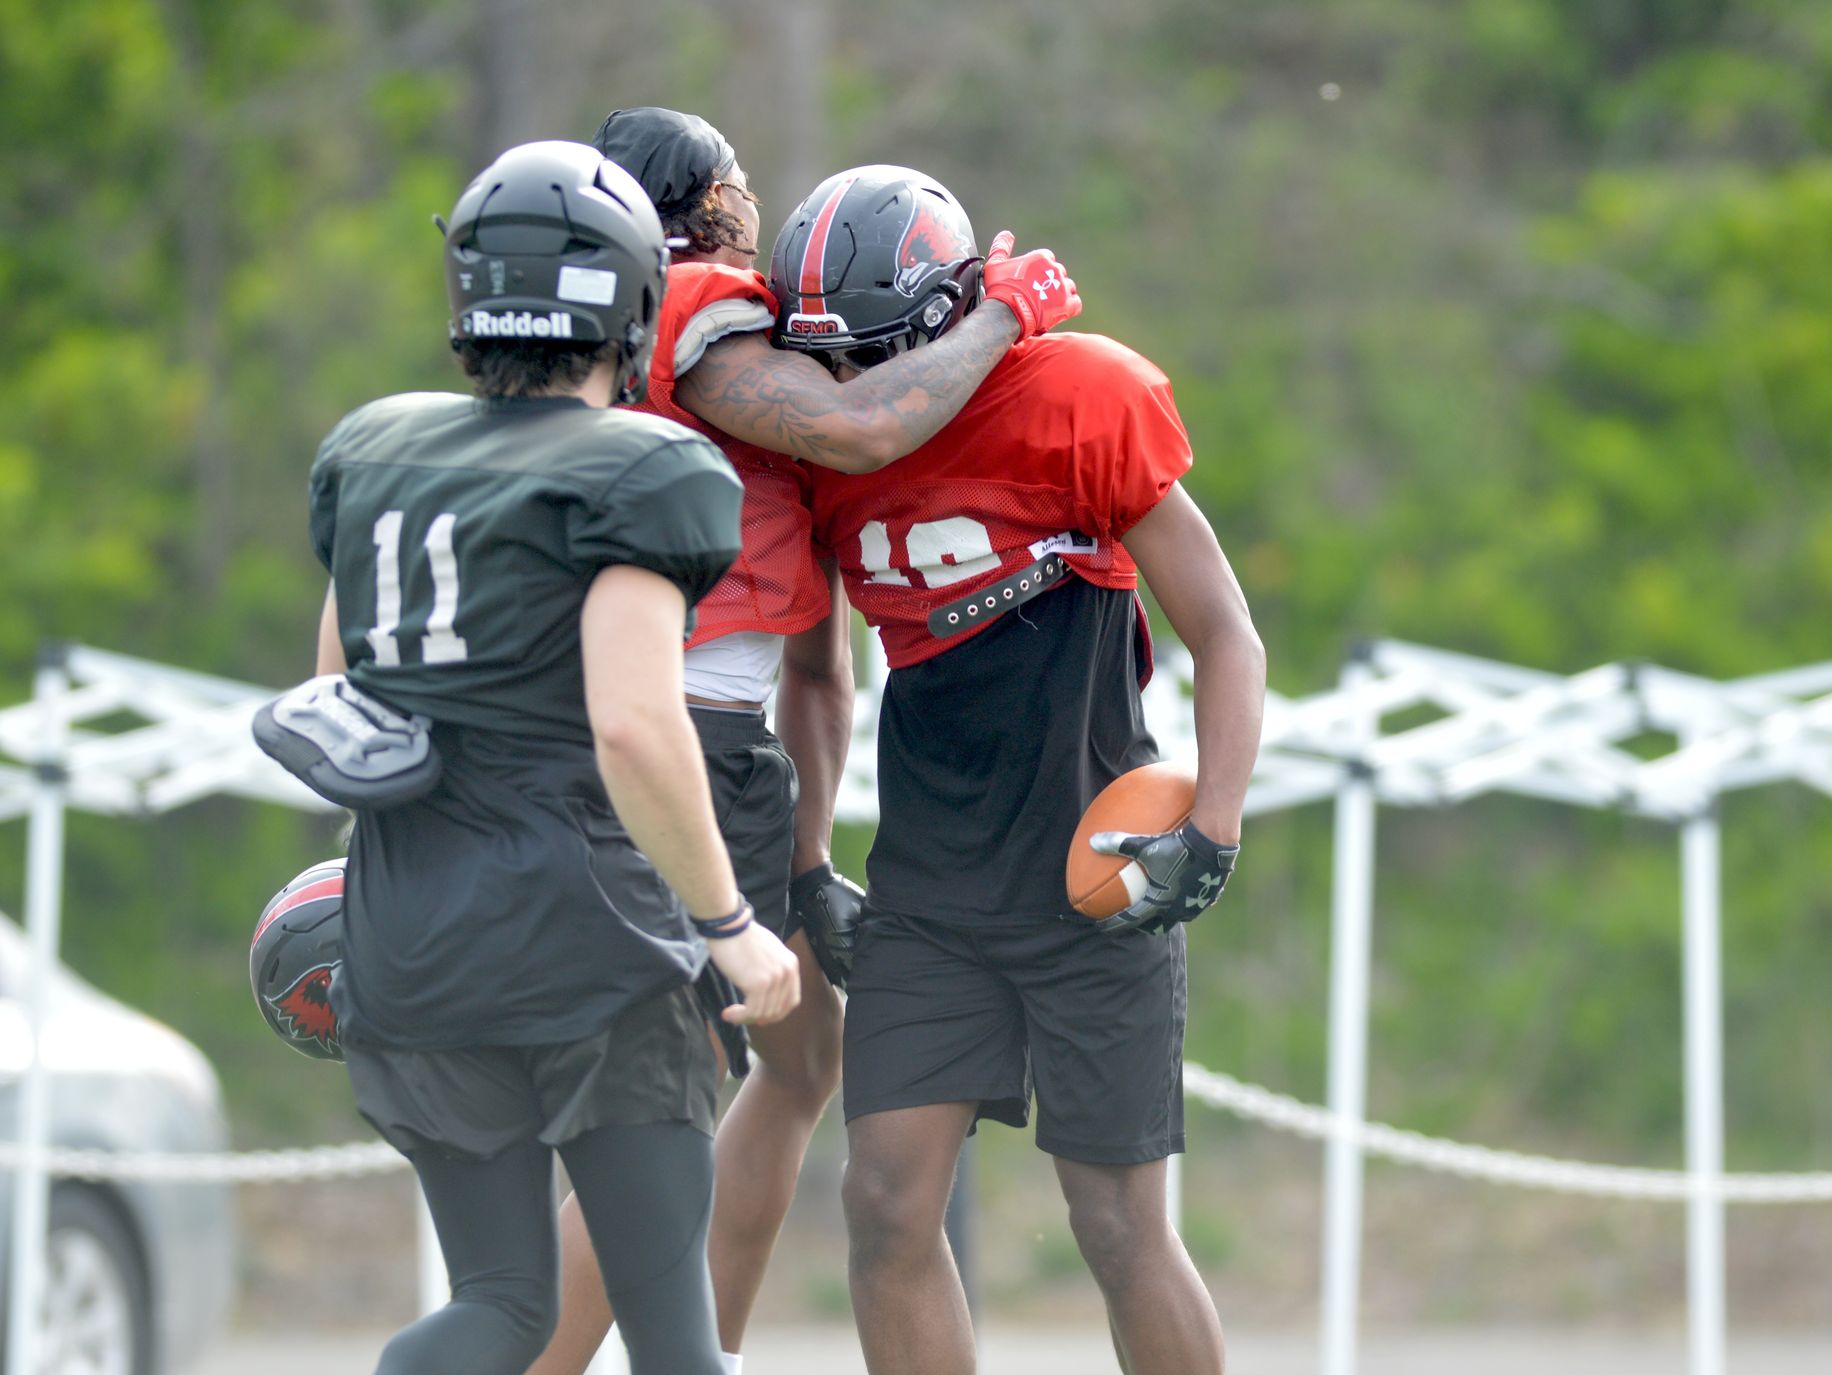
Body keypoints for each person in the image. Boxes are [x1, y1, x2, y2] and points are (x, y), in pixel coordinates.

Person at [523, 109, 1085, 1375]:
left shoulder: (678, 375)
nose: (746, 207)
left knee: (798, 1053)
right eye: (729, 187)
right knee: (657, 1122)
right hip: (672, 743)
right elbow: (859, 430)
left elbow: (820, 673)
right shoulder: (687, 302)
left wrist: (805, 864)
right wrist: (1001, 310)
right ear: (689, 210)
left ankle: (695, 1350)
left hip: (681, 750)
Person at [305, 140, 800, 1375]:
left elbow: (336, 698)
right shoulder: (642, 466)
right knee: (676, 1340)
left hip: (408, 947)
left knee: (503, 1304)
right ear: (630, 304)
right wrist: (730, 921)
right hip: (586, 950)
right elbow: (635, 721)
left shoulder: (379, 448)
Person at [770, 165, 1266, 1375]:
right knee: (884, 1206)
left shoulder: (1077, 397)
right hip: (931, 892)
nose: (845, 389)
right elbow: (816, 677)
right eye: (824, 362)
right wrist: (804, 865)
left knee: (1114, 1224)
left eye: (871, 354)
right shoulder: (818, 453)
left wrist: (1211, 826)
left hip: (1093, 869)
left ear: (946, 318)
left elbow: (1224, 633)